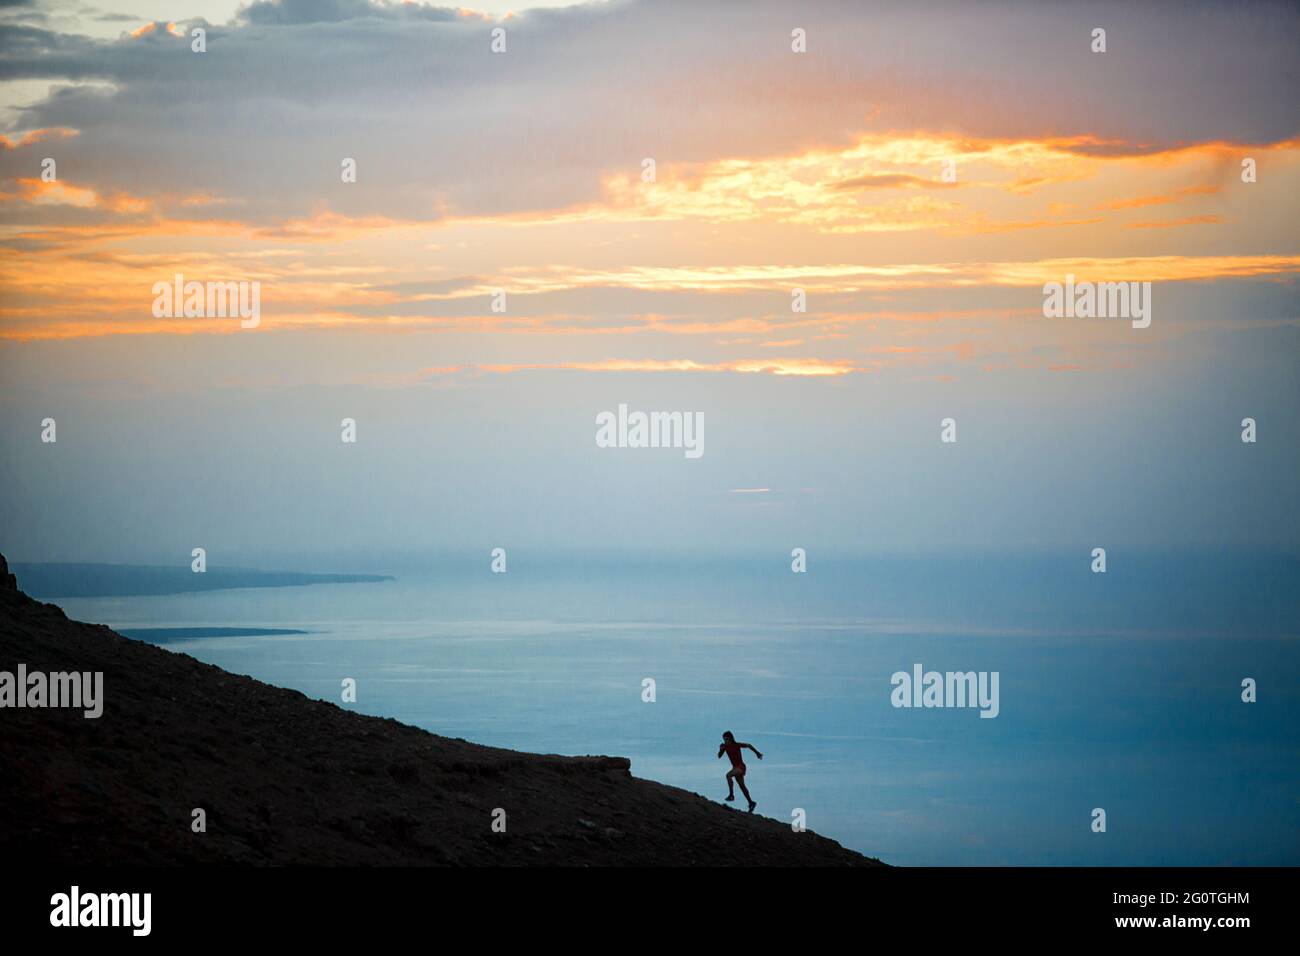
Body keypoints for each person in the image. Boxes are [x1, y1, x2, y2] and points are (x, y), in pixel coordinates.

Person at [717, 730, 762, 812]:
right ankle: (751, 802)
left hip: (741, 767)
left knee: (728, 775)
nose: (725, 741)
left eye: (727, 739)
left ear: (730, 738)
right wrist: (720, 750)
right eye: (724, 739)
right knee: (742, 786)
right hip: (735, 768)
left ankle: (731, 795)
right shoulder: (724, 746)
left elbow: (749, 745)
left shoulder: (736, 745)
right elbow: (719, 756)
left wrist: (757, 753)